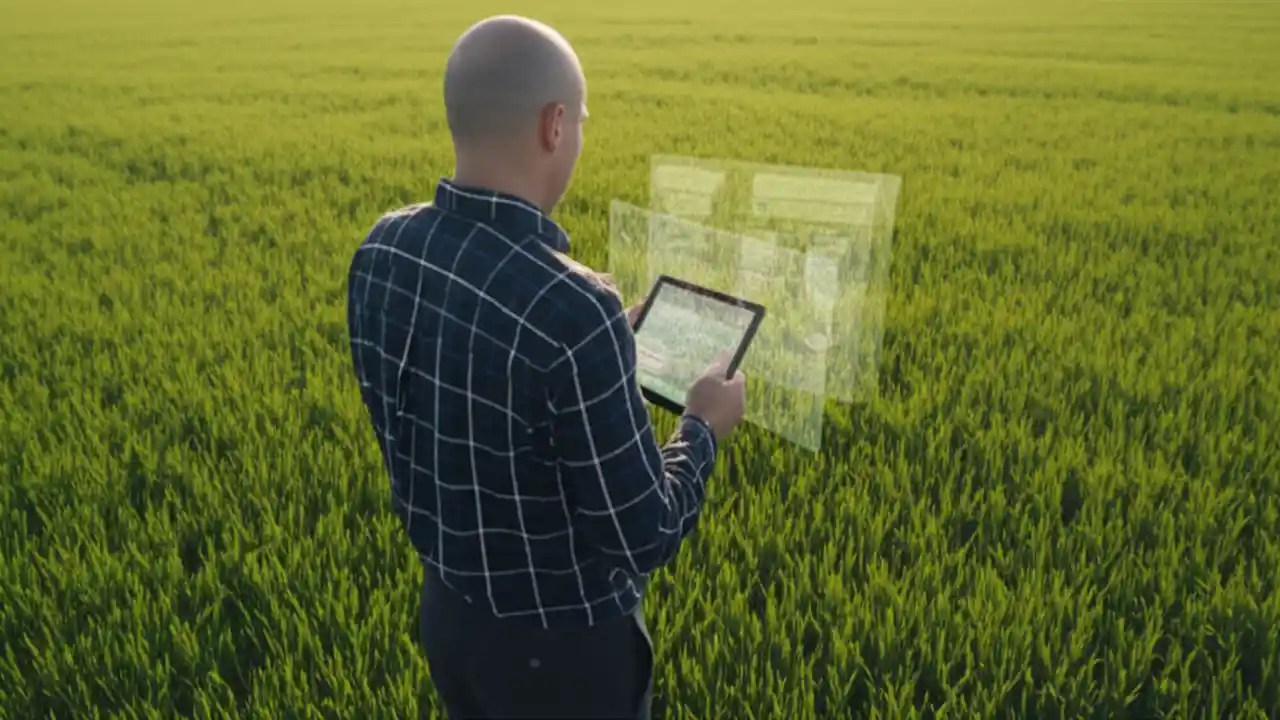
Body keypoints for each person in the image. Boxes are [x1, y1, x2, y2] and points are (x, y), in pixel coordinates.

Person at [344, 14, 748, 720]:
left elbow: (469, 386)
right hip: (563, 663)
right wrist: (703, 426)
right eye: (582, 122)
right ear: (554, 125)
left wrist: (605, 348)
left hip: (449, 618)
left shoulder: (383, 249)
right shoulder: (573, 308)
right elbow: (642, 532)